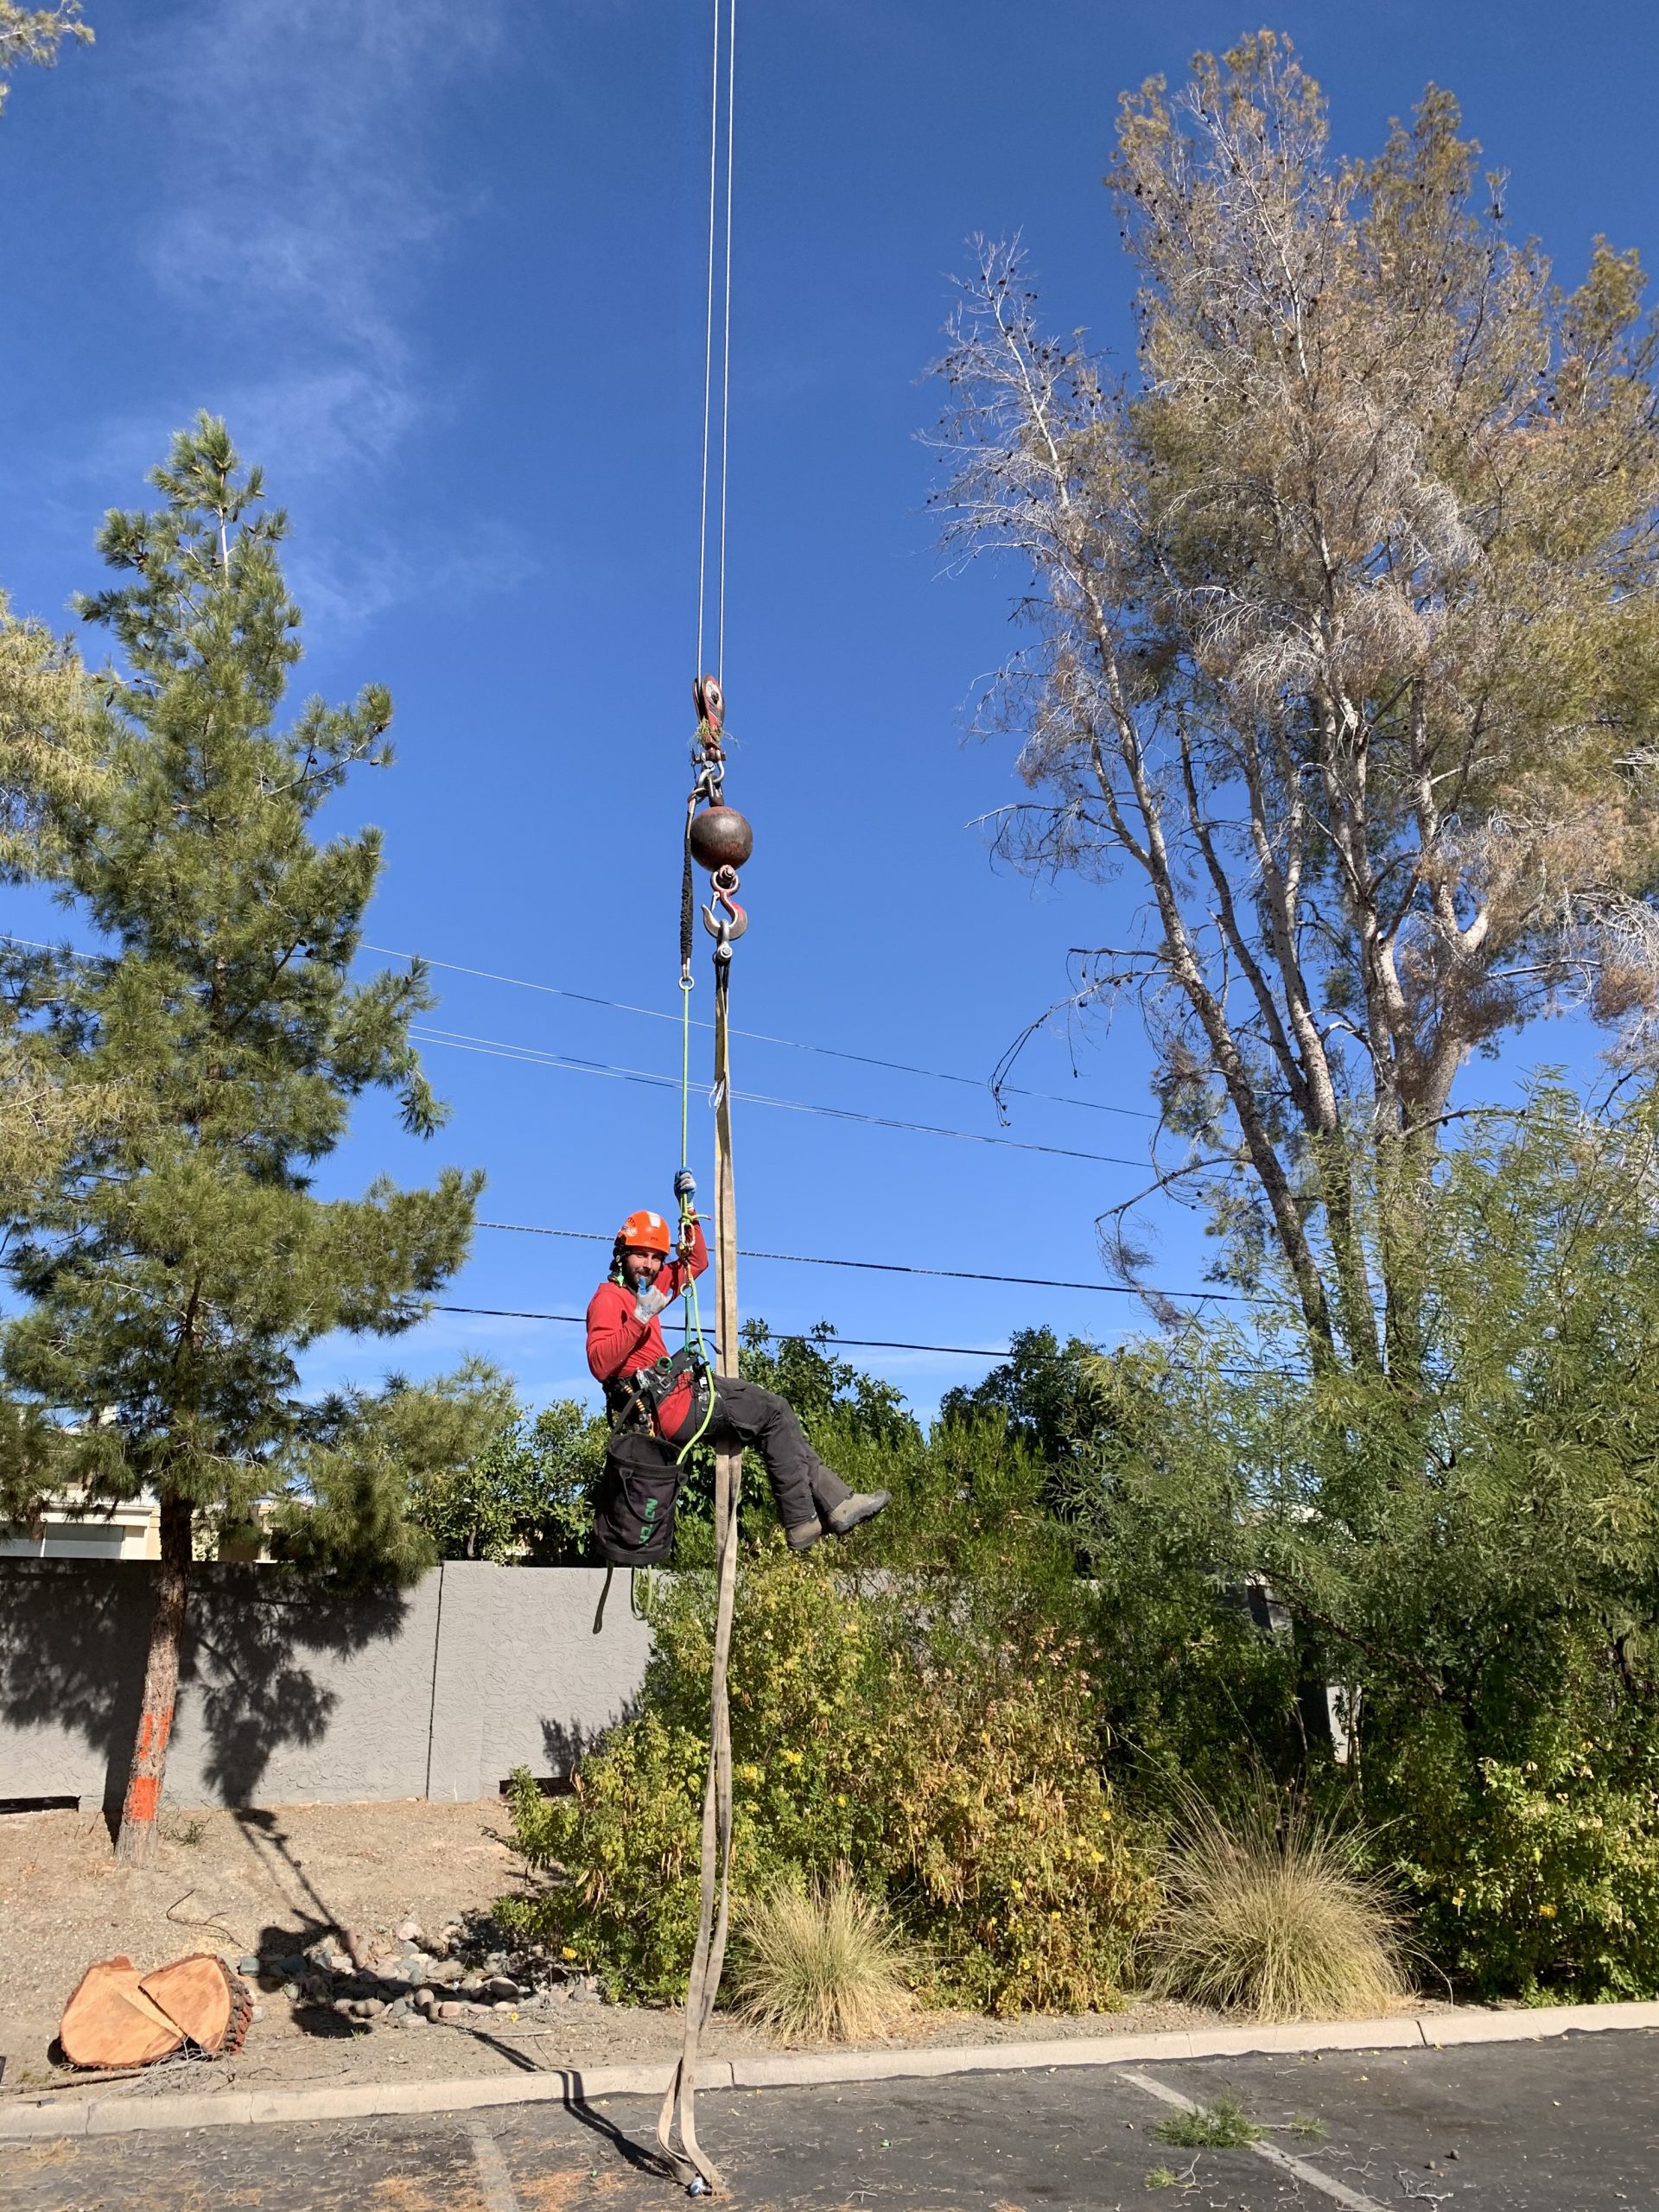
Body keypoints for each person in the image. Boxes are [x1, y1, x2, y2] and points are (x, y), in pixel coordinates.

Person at [586, 1176, 889, 1553]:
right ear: (622, 1253)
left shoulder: (645, 1288)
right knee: (775, 1411)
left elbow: (697, 1262)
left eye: (655, 1257)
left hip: (676, 1396)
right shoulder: (609, 1298)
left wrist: (689, 1212)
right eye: (640, 1255)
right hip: (669, 1404)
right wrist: (638, 1319)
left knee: (776, 1423)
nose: (648, 1265)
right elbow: (600, 1363)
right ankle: (800, 1521)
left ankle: (838, 1502)